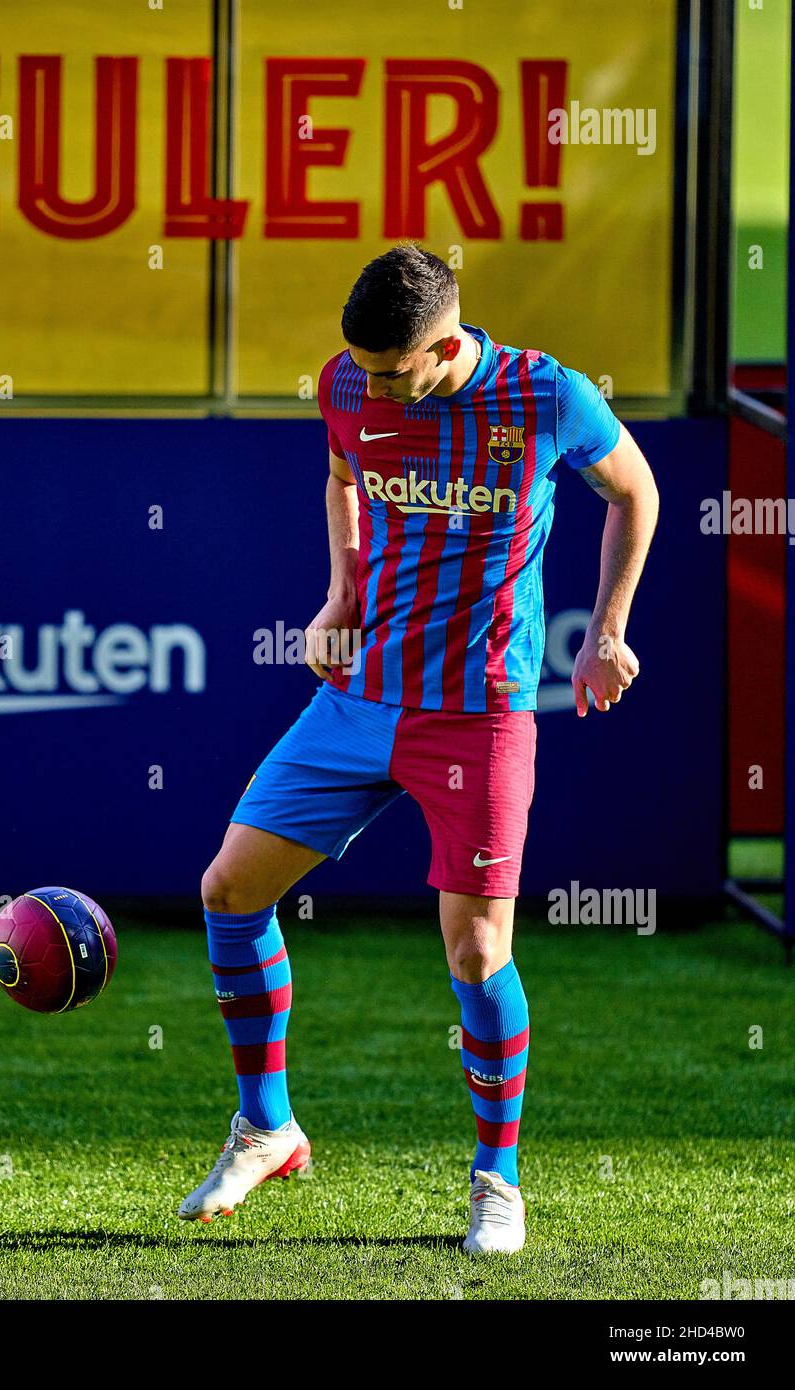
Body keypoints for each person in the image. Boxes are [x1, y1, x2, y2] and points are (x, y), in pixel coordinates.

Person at [179, 244, 659, 1254]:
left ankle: (498, 1180)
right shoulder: (348, 380)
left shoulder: (545, 395)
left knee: (478, 949)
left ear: (446, 346)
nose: (369, 382)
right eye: (360, 366)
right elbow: (342, 472)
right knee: (230, 889)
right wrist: (342, 592)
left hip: (479, 712)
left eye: (392, 370)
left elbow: (636, 493)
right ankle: (267, 1127)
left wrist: (607, 630)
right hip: (361, 696)